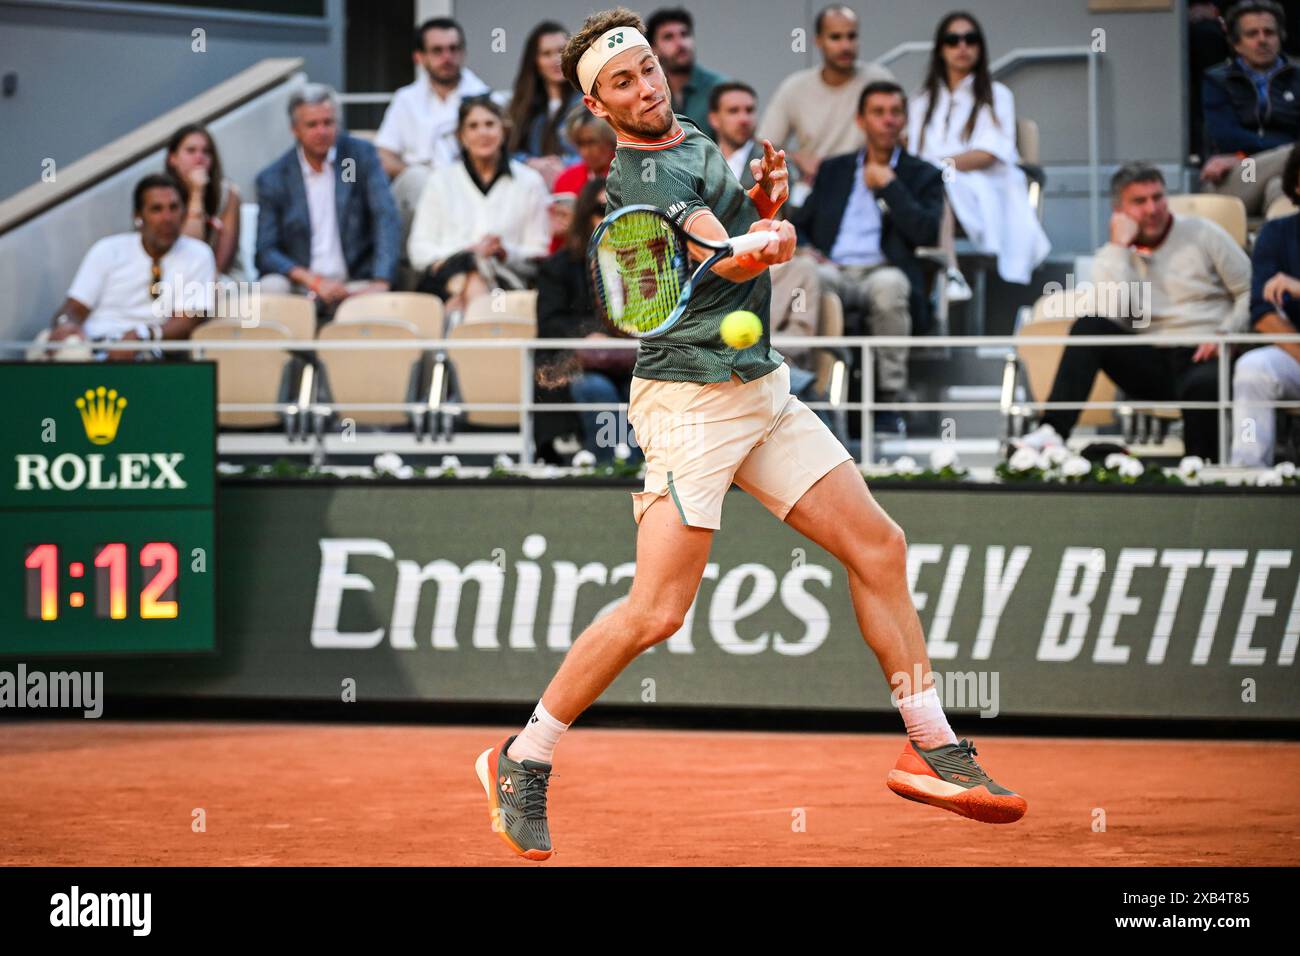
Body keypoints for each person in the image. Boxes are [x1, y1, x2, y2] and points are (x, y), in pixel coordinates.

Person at [474, 7, 1027, 863]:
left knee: (879, 546)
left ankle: (931, 746)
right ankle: (524, 754)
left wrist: (764, 202)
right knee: (657, 611)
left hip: (760, 387)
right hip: (689, 404)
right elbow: (713, 246)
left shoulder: (690, 130)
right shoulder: (637, 182)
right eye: (623, 83)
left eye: (650, 69)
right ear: (598, 107)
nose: (646, 86)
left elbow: (728, 214)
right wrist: (751, 246)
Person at [1018, 163, 1249, 462]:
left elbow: (1249, 289)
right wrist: (1120, 248)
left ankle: (1201, 471)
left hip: (1206, 350)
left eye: (1158, 197)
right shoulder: (1111, 256)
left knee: (1203, 384)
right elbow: (1115, 313)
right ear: (1119, 210)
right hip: (1152, 356)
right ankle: (1052, 430)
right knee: (1089, 326)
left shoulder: (1203, 233)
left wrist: (1226, 334)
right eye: (1139, 202)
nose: (1152, 209)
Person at [795, 81, 945, 413]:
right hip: (833, 268)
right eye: (878, 112)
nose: (888, 120)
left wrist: (890, 186)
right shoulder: (835, 169)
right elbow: (800, 224)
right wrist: (806, 249)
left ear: (904, 120)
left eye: (895, 112)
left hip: (883, 270)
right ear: (861, 120)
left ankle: (891, 398)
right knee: (805, 274)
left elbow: (926, 232)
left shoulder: (922, 174)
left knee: (890, 287)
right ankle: (803, 383)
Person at [907, 11, 1049, 286]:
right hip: (930, 183)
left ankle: (950, 272)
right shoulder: (920, 100)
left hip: (983, 183)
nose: (962, 47)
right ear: (940, 48)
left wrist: (937, 167)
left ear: (980, 47)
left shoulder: (998, 95)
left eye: (970, 39)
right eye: (953, 40)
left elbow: (988, 153)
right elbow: (913, 153)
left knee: (938, 182)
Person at [254, 85, 398, 315]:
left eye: (328, 123)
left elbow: (384, 216)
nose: (322, 131)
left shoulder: (357, 157)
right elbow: (266, 250)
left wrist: (382, 279)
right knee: (269, 288)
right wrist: (311, 280)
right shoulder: (274, 177)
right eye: (312, 124)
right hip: (301, 284)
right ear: (295, 129)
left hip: (354, 281)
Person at [708, 80, 820, 373]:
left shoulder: (774, 164)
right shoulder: (700, 165)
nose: (743, 118)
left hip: (777, 369)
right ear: (714, 118)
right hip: (721, 265)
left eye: (749, 110)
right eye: (733, 111)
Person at [39, 174, 214, 361]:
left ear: (183, 213)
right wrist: (66, 324)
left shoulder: (198, 254)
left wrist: (142, 336)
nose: (167, 218)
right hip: (91, 347)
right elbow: (74, 308)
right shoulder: (108, 250)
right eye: (157, 209)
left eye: (174, 208)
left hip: (149, 350)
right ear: (138, 216)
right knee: (56, 347)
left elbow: (187, 322)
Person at [408, 96, 551, 316]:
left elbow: (540, 248)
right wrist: (469, 253)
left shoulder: (529, 181)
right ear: (461, 136)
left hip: (508, 280)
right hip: (446, 279)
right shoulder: (440, 181)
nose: (482, 133)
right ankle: (480, 337)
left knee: (474, 281)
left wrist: (505, 252)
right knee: (471, 275)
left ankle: (463, 339)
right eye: (473, 126)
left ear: (503, 130)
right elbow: (419, 250)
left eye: (490, 124)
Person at [536, 176, 638, 462]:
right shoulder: (558, 267)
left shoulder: (648, 264)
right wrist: (586, 336)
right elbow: (549, 324)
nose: (611, 219)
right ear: (584, 216)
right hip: (580, 365)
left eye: (620, 210)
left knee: (645, 388)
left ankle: (643, 471)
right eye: (601, 211)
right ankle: (615, 468)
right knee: (596, 388)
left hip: (636, 364)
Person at [375, 18, 496, 240]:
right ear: (419, 57)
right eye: (437, 51)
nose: (447, 57)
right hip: (416, 190)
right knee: (420, 181)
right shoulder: (406, 99)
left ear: (463, 53)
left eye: (453, 49)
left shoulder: (484, 98)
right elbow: (384, 156)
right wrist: (428, 180)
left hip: (468, 188)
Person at [757, 5, 895, 189]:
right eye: (835, 37)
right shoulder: (795, 87)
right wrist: (798, 158)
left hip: (869, 186)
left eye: (851, 36)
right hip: (814, 188)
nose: (845, 45)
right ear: (818, 41)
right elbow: (765, 146)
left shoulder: (879, 80)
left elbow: (903, 137)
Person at [1232, 143, 1300, 466]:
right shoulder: (1276, 233)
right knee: (1253, 369)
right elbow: (1261, 310)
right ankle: (1248, 474)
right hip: (1296, 351)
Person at [1201, 0, 1300, 216]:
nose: (1262, 40)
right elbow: (1227, 137)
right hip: (1242, 171)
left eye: (1269, 32)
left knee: (1280, 188)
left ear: (1280, 37)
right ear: (1236, 43)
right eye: (1252, 34)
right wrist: (1285, 150)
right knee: (1293, 157)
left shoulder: (1297, 78)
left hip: (1284, 170)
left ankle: (1278, 247)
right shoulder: (1217, 80)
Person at [506, 20, 581, 190]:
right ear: (535, 61)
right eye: (546, 54)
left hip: (575, 191)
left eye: (561, 51)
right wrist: (530, 162)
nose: (556, 59)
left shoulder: (589, 102)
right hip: (532, 194)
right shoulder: (522, 106)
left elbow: (603, 151)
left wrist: (563, 163)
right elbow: (503, 153)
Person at [164, 124, 242, 278]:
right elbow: (185, 254)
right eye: (191, 151)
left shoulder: (228, 193)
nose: (199, 158)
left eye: (206, 152)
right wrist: (196, 194)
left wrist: (197, 193)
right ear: (173, 159)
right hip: (172, 275)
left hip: (217, 277)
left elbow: (222, 262)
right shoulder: (160, 194)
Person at [645, 7, 726, 140]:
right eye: (668, 37)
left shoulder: (720, 89)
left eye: (684, 34)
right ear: (653, 48)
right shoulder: (648, 92)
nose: (680, 43)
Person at [549, 111, 617, 253]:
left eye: (591, 142)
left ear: (610, 140)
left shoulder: (626, 174)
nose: (585, 151)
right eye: (580, 144)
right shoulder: (567, 179)